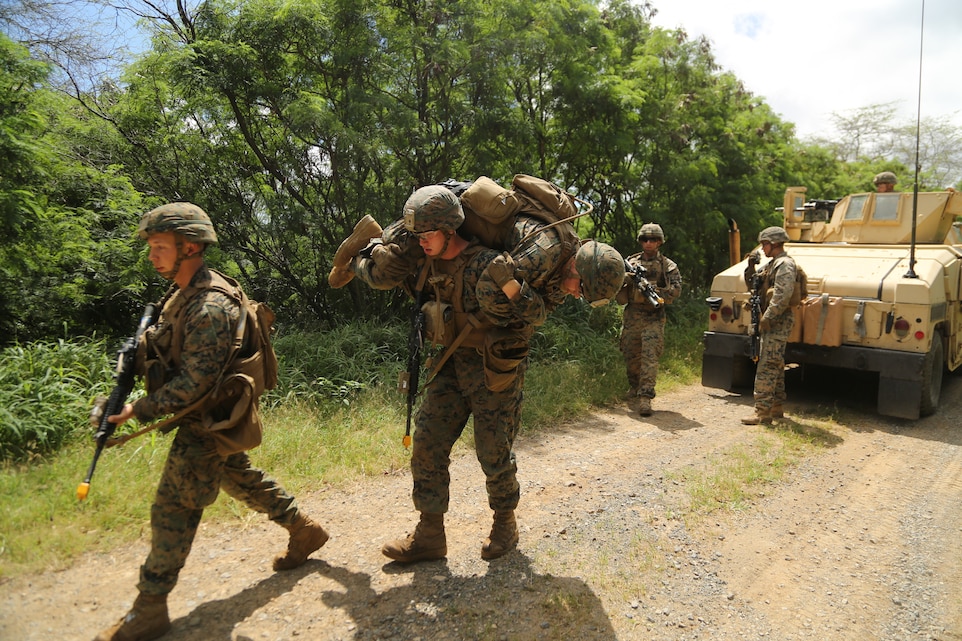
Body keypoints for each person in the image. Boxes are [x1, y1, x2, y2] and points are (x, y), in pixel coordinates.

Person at [351, 186, 623, 565]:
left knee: (494, 450)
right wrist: (510, 292)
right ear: (579, 267)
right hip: (451, 355)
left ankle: (504, 524)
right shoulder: (541, 252)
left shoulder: (560, 276)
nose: (575, 295)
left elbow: (529, 308)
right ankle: (430, 534)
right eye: (581, 288)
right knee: (428, 437)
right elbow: (493, 289)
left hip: (497, 362)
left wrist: (518, 296)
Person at [95, 203, 328, 641]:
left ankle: (149, 608)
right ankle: (304, 529)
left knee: (173, 510)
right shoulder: (181, 293)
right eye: (152, 247)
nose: (152, 256)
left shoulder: (210, 305)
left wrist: (135, 412)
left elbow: (194, 384)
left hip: (208, 419)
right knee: (237, 477)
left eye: (161, 247)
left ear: (191, 247)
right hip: (205, 416)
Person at [616, 223, 682, 416]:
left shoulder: (667, 265)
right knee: (631, 354)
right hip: (632, 315)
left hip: (653, 317)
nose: (649, 243)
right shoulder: (630, 262)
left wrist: (652, 289)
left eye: (653, 239)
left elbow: (676, 291)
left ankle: (645, 397)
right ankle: (635, 387)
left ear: (660, 242)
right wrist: (626, 280)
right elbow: (616, 286)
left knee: (649, 357)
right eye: (645, 239)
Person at [741, 226, 797, 426]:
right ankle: (776, 407)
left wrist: (768, 319)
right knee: (775, 363)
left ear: (773, 244)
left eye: (764, 244)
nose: (762, 248)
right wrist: (750, 267)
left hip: (777, 322)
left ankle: (762, 412)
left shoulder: (785, 265)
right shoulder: (772, 264)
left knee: (766, 365)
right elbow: (753, 285)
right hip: (771, 321)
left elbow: (782, 295)